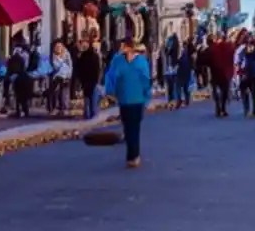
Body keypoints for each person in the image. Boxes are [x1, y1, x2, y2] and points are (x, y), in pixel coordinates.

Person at [104, 40, 152, 168]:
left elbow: (146, 80)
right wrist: (109, 92)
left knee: (134, 128)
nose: (122, 49)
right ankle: (132, 154)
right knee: (127, 127)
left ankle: (133, 156)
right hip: (124, 99)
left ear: (131, 48)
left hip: (138, 99)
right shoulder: (117, 61)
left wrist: (147, 97)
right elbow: (111, 76)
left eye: (125, 46)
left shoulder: (141, 62)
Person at [75, 38, 103, 119]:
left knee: (91, 97)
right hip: (85, 80)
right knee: (88, 98)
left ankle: (91, 114)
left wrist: (97, 79)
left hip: (92, 80)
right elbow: (78, 68)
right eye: (83, 44)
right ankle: (89, 115)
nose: (84, 45)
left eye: (85, 43)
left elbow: (97, 69)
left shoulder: (93, 55)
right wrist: (80, 79)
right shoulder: (82, 56)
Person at [208, 32, 235, 117]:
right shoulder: (228, 46)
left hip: (215, 73)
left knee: (216, 91)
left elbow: (208, 60)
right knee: (224, 91)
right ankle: (223, 108)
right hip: (225, 73)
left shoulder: (212, 48)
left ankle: (218, 107)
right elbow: (232, 57)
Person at [239, 37, 255, 118]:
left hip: (251, 73)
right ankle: (250, 110)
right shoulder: (245, 50)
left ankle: (250, 110)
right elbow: (240, 59)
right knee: (250, 92)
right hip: (250, 73)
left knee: (252, 93)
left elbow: (240, 60)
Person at [49, 41, 73, 116]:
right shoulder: (53, 55)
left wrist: (69, 74)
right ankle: (56, 108)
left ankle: (64, 108)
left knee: (64, 92)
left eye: (59, 46)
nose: (58, 48)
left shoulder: (66, 54)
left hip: (65, 76)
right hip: (56, 77)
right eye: (56, 47)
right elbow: (54, 66)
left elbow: (70, 65)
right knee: (56, 93)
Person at [163, 35, 181, 108]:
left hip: (170, 67)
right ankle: (175, 99)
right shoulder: (178, 47)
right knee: (174, 84)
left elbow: (167, 52)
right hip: (174, 67)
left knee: (171, 84)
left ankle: (172, 100)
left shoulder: (171, 47)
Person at [177, 41, 195, 107]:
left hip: (182, 72)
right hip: (187, 71)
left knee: (179, 86)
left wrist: (178, 61)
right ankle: (187, 100)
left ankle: (180, 99)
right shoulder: (188, 53)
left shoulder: (183, 53)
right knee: (186, 87)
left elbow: (180, 61)